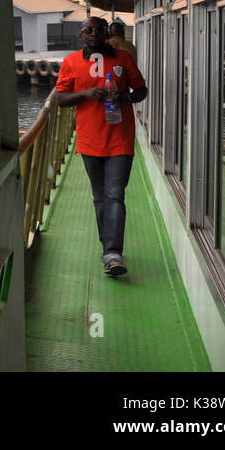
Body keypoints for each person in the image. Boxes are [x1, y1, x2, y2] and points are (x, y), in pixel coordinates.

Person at [55, 16, 148, 277]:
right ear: (80, 34)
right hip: (89, 140)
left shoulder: (123, 58)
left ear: (106, 32)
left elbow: (141, 90)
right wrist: (85, 94)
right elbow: (61, 99)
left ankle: (113, 253)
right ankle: (108, 246)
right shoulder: (71, 62)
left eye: (98, 29)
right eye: (88, 30)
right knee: (100, 197)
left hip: (120, 138)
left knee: (115, 194)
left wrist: (125, 97)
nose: (94, 33)